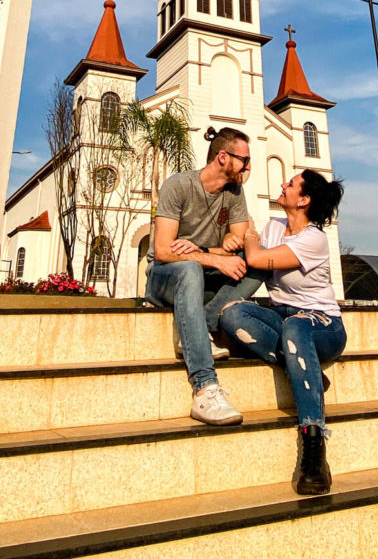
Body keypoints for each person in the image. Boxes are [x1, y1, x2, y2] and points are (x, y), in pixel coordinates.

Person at [219, 169, 345, 495]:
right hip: (284, 320)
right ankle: (304, 368)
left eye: (290, 184)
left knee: (296, 325)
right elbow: (248, 249)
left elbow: (257, 256)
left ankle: (314, 445)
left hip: (323, 325)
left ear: (303, 200)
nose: (282, 185)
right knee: (232, 314)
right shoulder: (276, 227)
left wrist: (247, 232)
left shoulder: (313, 239)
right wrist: (234, 239)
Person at [145, 126, 263, 426]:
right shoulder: (178, 186)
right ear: (223, 157)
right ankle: (204, 387)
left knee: (256, 265)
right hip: (164, 277)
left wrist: (201, 249)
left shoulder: (235, 193)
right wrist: (210, 256)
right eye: (244, 160)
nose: (248, 167)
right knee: (188, 267)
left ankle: (199, 326)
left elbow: (236, 243)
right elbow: (162, 251)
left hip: (201, 272)